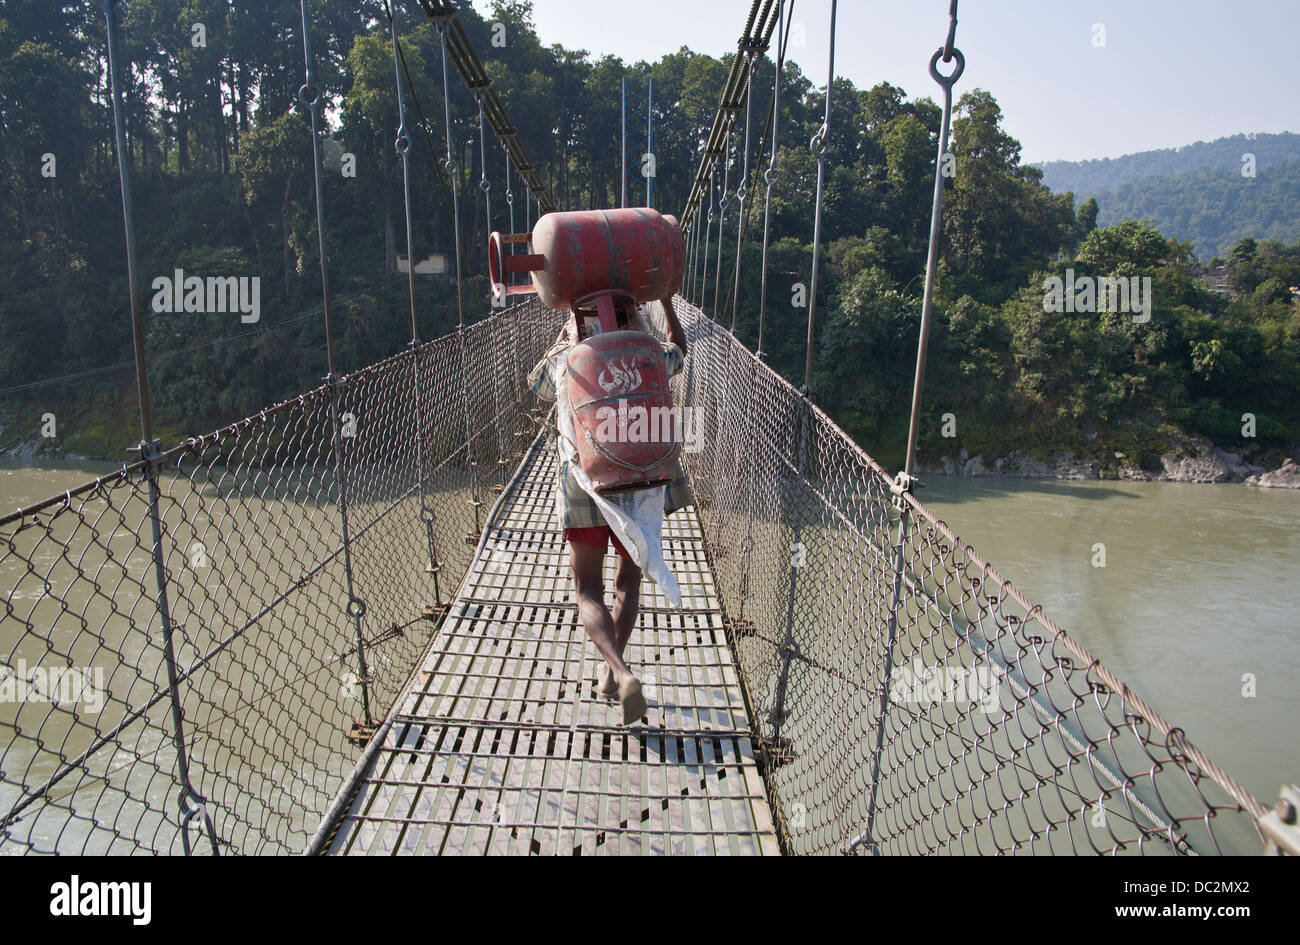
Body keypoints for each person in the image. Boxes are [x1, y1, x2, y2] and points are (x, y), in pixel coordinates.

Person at [527, 295, 692, 724]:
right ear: (632, 310)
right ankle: (610, 677)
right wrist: (667, 304)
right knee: (627, 585)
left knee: (586, 589)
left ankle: (618, 670)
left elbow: (537, 388)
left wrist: (562, 340)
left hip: (584, 479)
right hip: (641, 484)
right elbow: (680, 349)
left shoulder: (569, 355)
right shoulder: (647, 351)